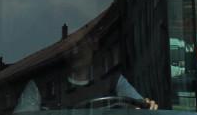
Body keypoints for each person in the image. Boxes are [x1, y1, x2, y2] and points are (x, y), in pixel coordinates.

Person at [17, 48, 155, 111]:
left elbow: (140, 108)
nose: (76, 50)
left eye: (81, 42)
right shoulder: (38, 86)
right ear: (63, 51)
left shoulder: (113, 80)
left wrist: (145, 107)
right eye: (71, 45)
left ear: (93, 43)